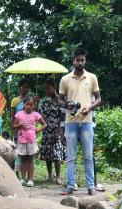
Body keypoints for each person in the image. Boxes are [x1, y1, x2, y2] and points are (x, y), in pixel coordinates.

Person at [58, 48, 101, 195]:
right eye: (78, 60)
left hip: (87, 121)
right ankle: (70, 185)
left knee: (88, 155)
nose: (80, 62)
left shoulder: (92, 77)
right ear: (73, 60)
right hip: (70, 121)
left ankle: (91, 186)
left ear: (85, 61)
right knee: (71, 156)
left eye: (83, 60)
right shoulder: (65, 79)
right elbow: (60, 100)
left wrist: (89, 106)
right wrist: (68, 105)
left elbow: (99, 99)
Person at [13, 95, 45, 186]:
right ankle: (23, 179)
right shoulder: (19, 114)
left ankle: (30, 179)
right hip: (22, 140)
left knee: (30, 160)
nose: (29, 106)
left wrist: (38, 130)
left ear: (34, 105)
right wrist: (20, 125)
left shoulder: (36, 114)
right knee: (23, 160)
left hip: (31, 140)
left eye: (31, 105)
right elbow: (14, 126)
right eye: (27, 104)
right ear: (24, 104)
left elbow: (44, 124)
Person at [38, 80, 65, 183]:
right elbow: (40, 116)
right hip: (47, 130)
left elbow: (63, 116)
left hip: (58, 129)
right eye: (46, 88)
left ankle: (58, 176)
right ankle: (50, 175)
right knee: (48, 154)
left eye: (48, 88)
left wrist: (60, 130)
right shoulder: (44, 101)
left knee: (57, 153)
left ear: (54, 87)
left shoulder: (61, 101)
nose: (47, 90)